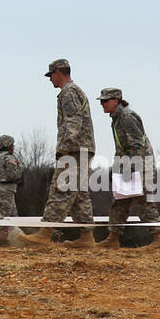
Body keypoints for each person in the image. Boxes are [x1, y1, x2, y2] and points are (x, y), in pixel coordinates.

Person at [22, 58, 97, 248]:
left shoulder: (69, 92)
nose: (50, 80)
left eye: (51, 75)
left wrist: (64, 146)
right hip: (82, 148)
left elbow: (73, 121)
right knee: (79, 193)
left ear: (59, 73)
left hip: (73, 149)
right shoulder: (74, 91)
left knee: (61, 188)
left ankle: (45, 234)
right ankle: (87, 236)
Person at [96, 88, 160, 249]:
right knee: (120, 202)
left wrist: (131, 170)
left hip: (139, 165)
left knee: (143, 201)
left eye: (105, 101)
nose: (102, 104)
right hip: (130, 165)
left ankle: (158, 239)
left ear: (116, 100)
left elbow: (136, 145)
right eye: (101, 101)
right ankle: (113, 238)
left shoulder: (127, 117)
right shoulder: (117, 118)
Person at [0, 134, 25, 246]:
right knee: (8, 219)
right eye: (12, 145)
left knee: (6, 218)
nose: (13, 147)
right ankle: (9, 243)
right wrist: (20, 167)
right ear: (9, 145)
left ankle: (16, 241)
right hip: (6, 191)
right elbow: (14, 174)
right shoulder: (9, 158)